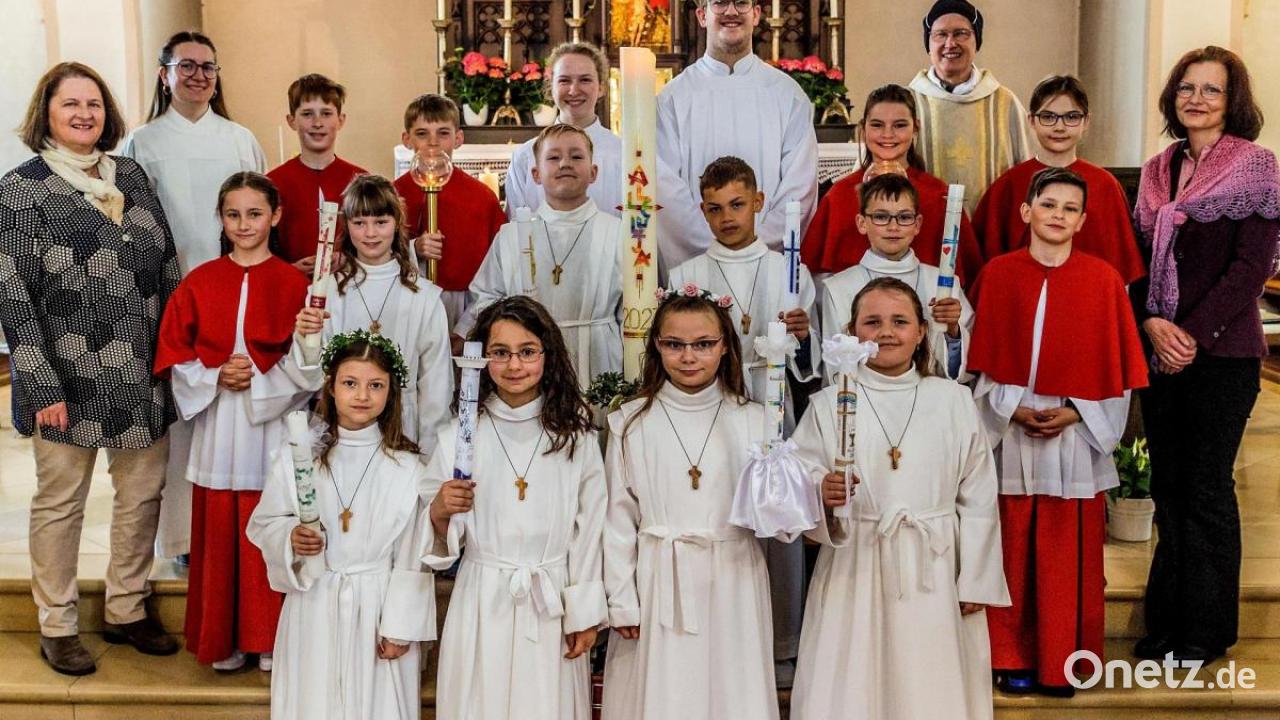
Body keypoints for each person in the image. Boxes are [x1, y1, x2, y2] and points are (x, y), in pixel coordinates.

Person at [0, 62, 181, 676]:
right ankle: (57, 623)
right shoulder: (20, 190)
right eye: (71, 104)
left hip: (140, 370)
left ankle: (127, 606)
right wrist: (39, 382)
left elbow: (167, 264)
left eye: (94, 104)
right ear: (46, 113)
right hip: (64, 378)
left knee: (141, 494)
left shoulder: (131, 175)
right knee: (61, 502)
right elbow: (12, 295)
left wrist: (174, 355)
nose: (84, 114)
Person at [790, 277, 1009, 720]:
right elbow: (800, 478)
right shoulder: (828, 404)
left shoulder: (954, 401)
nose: (886, 332)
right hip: (855, 563)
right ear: (852, 332)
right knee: (852, 682)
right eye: (872, 322)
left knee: (928, 683)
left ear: (922, 331)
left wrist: (976, 578)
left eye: (899, 321)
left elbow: (979, 497)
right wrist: (822, 491)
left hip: (935, 566)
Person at [968, 167, 1148, 696]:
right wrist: (1011, 408)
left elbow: (1117, 372)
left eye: (1070, 209)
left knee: (1067, 554)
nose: (1058, 215)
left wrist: (1077, 411)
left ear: (1083, 221)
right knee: (1011, 549)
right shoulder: (998, 274)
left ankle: (1064, 660)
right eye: (1048, 204)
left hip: (1076, 438)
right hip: (1012, 431)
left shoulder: (1103, 280)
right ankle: (1010, 656)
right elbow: (978, 365)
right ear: (1027, 211)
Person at [1131, 46, 1280, 664]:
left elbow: (1251, 268)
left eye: (1211, 89)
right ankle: (1166, 623)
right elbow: (1138, 260)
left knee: (1207, 488)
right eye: (1187, 88)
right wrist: (1151, 323)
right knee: (1168, 488)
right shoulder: (1155, 170)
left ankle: (1206, 631)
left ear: (1232, 99)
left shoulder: (1256, 167)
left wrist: (1189, 334)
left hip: (1224, 355)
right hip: (1160, 350)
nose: (1196, 99)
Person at [665, 156, 817, 687]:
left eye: (736, 205)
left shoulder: (788, 271)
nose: (726, 218)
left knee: (777, 522)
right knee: (721, 517)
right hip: (709, 410)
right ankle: (720, 635)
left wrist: (803, 338)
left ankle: (781, 643)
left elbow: (809, 367)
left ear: (758, 203)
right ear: (702, 211)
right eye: (714, 208)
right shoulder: (685, 276)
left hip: (772, 403)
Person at [153, 172, 313, 671]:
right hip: (220, 424)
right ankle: (225, 639)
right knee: (222, 533)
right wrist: (215, 375)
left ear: (275, 217)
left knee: (270, 525)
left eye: (255, 214)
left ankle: (268, 638)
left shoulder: (295, 284)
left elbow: (312, 364)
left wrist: (261, 386)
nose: (244, 225)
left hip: (273, 426)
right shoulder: (200, 282)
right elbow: (174, 354)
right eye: (233, 214)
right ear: (221, 219)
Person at [424, 296, 606, 720]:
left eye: (527, 352)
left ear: (548, 355)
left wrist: (583, 611)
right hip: (483, 597)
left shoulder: (575, 437)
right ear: (481, 359)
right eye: (500, 353)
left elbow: (590, 528)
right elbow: (435, 537)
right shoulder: (459, 437)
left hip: (551, 600)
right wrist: (440, 511)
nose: (514, 365)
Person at [123, 30, 266, 562]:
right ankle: (185, 538)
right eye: (186, 66)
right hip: (172, 294)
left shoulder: (239, 138)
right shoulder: (143, 142)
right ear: (165, 75)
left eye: (208, 67)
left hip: (236, 290)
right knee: (185, 412)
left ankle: (239, 528)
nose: (199, 75)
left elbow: (260, 212)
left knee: (234, 407)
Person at [603, 285, 777, 720]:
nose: (688, 357)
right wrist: (622, 599)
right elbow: (617, 520)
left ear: (725, 346)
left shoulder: (755, 420)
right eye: (674, 344)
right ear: (656, 346)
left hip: (733, 579)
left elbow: (778, 517)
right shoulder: (629, 422)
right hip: (657, 579)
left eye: (703, 344)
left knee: (732, 694)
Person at [248, 331, 436, 720]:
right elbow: (266, 522)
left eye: (376, 385)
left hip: (380, 608)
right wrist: (291, 537)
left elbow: (413, 553)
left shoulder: (408, 467)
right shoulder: (299, 458)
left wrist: (401, 625)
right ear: (331, 387)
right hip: (315, 601)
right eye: (350, 383)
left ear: (391, 393)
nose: (362, 395)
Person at [293, 174, 453, 459]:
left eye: (381, 222)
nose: (370, 233)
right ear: (346, 225)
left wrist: (430, 456)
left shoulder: (424, 297)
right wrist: (306, 338)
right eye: (359, 223)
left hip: (405, 429)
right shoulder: (327, 292)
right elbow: (312, 379)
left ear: (397, 222)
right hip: (343, 430)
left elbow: (436, 385)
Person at [459, 124, 623, 390]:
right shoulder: (511, 237)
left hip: (600, 360)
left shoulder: (617, 234)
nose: (565, 163)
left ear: (594, 172)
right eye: (554, 157)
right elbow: (485, 300)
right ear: (535, 174)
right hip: (525, 364)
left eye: (576, 156)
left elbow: (631, 311)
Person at [657, 0, 819, 266]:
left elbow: (799, 188)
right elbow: (665, 187)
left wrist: (756, 247)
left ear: (756, 15)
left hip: (767, 263)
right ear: (702, 16)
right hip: (696, 266)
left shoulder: (788, 95)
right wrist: (713, 249)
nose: (731, 11)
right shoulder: (672, 99)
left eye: (741, 3)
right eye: (720, 3)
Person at [802, 84, 982, 287]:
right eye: (877, 125)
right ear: (863, 128)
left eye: (899, 125)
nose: (888, 134)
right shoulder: (839, 196)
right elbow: (817, 278)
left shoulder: (939, 196)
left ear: (916, 128)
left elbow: (963, 277)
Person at [972, 75, 1145, 282]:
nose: (1059, 127)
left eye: (1071, 117)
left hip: (1088, 293)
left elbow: (1121, 272)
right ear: (1031, 120)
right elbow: (986, 267)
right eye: (1048, 116)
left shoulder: (1105, 185)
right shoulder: (1009, 184)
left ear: (1086, 121)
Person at [820, 174, 973, 381]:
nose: (893, 227)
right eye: (881, 217)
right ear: (862, 223)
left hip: (929, 394)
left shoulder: (944, 282)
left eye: (904, 217)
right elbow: (835, 368)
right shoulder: (838, 287)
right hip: (863, 395)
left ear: (917, 224)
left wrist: (952, 329)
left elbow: (958, 373)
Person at [393, 94, 507, 337]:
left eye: (443, 133)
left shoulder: (481, 197)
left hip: (466, 306)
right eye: (422, 133)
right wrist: (414, 248)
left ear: (458, 138)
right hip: (407, 300)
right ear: (406, 139)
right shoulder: (393, 195)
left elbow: (498, 265)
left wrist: (467, 328)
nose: (433, 143)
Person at [909, 0, 1031, 213]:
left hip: (991, 227)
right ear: (928, 44)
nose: (950, 44)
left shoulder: (1005, 103)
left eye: (960, 34)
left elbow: (1026, 172)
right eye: (940, 35)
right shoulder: (907, 102)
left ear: (977, 41)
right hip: (923, 225)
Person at [505, 42, 622, 219]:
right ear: (551, 87)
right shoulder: (525, 156)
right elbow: (516, 225)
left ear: (601, 88)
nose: (574, 91)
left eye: (585, 80)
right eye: (564, 81)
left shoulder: (623, 154)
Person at [267, 73, 368, 272]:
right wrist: (290, 271)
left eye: (326, 113)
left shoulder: (361, 181)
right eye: (307, 114)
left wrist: (351, 260)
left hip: (352, 283)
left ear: (341, 120)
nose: (317, 123)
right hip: (292, 286)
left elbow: (380, 240)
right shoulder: (272, 183)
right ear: (291, 120)